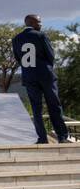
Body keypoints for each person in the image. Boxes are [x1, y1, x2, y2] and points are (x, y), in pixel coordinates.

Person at [11, 14, 71, 144]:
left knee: (36, 108)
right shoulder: (41, 35)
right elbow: (51, 56)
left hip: (29, 76)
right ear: (31, 22)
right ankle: (62, 136)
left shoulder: (16, 39)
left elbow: (18, 58)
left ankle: (42, 138)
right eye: (39, 22)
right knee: (54, 105)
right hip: (46, 75)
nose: (41, 24)